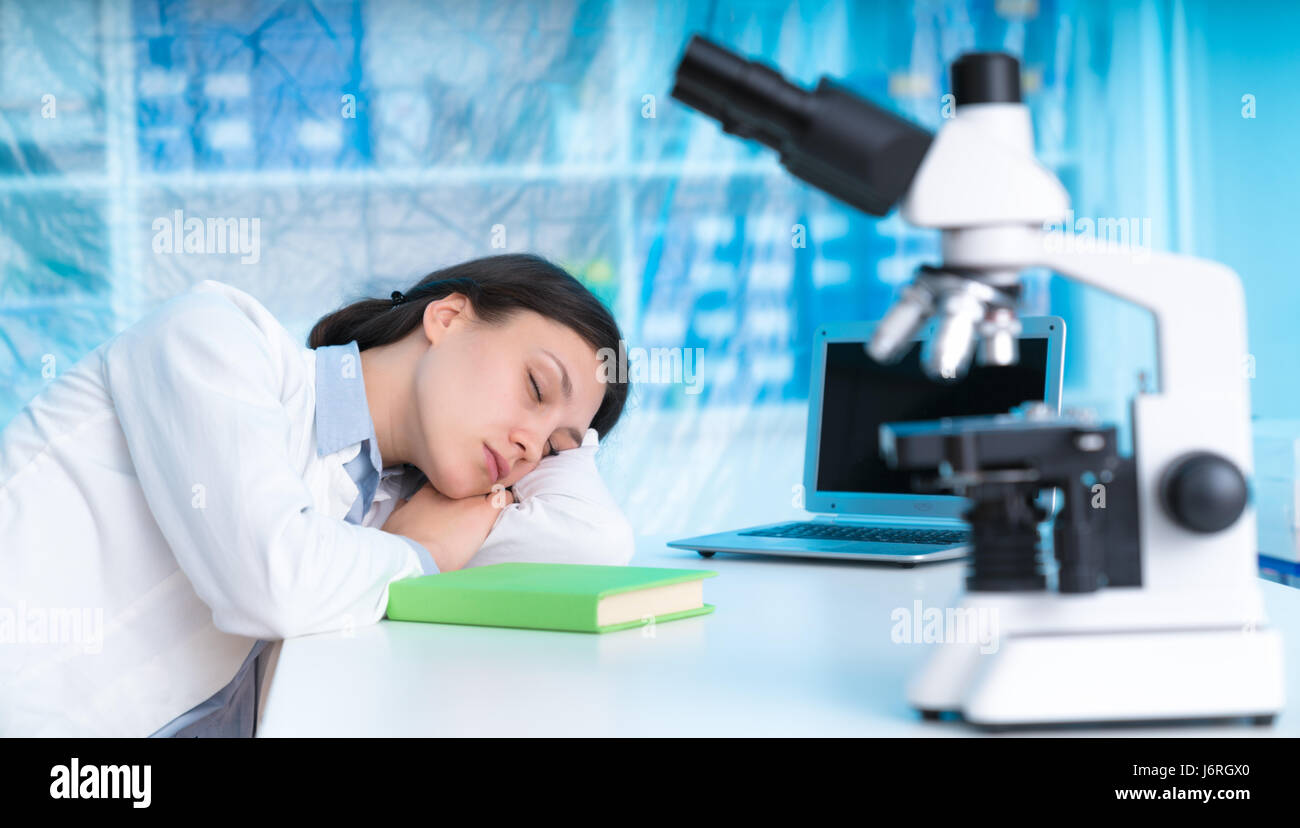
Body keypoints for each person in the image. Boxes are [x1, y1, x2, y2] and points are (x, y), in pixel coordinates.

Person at [0, 253, 633, 737]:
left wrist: (563, 450)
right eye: (535, 385)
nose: (531, 448)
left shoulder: (399, 509)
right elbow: (270, 580)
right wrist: (416, 554)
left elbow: (597, 540)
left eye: (553, 450)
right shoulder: (216, 339)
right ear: (446, 316)